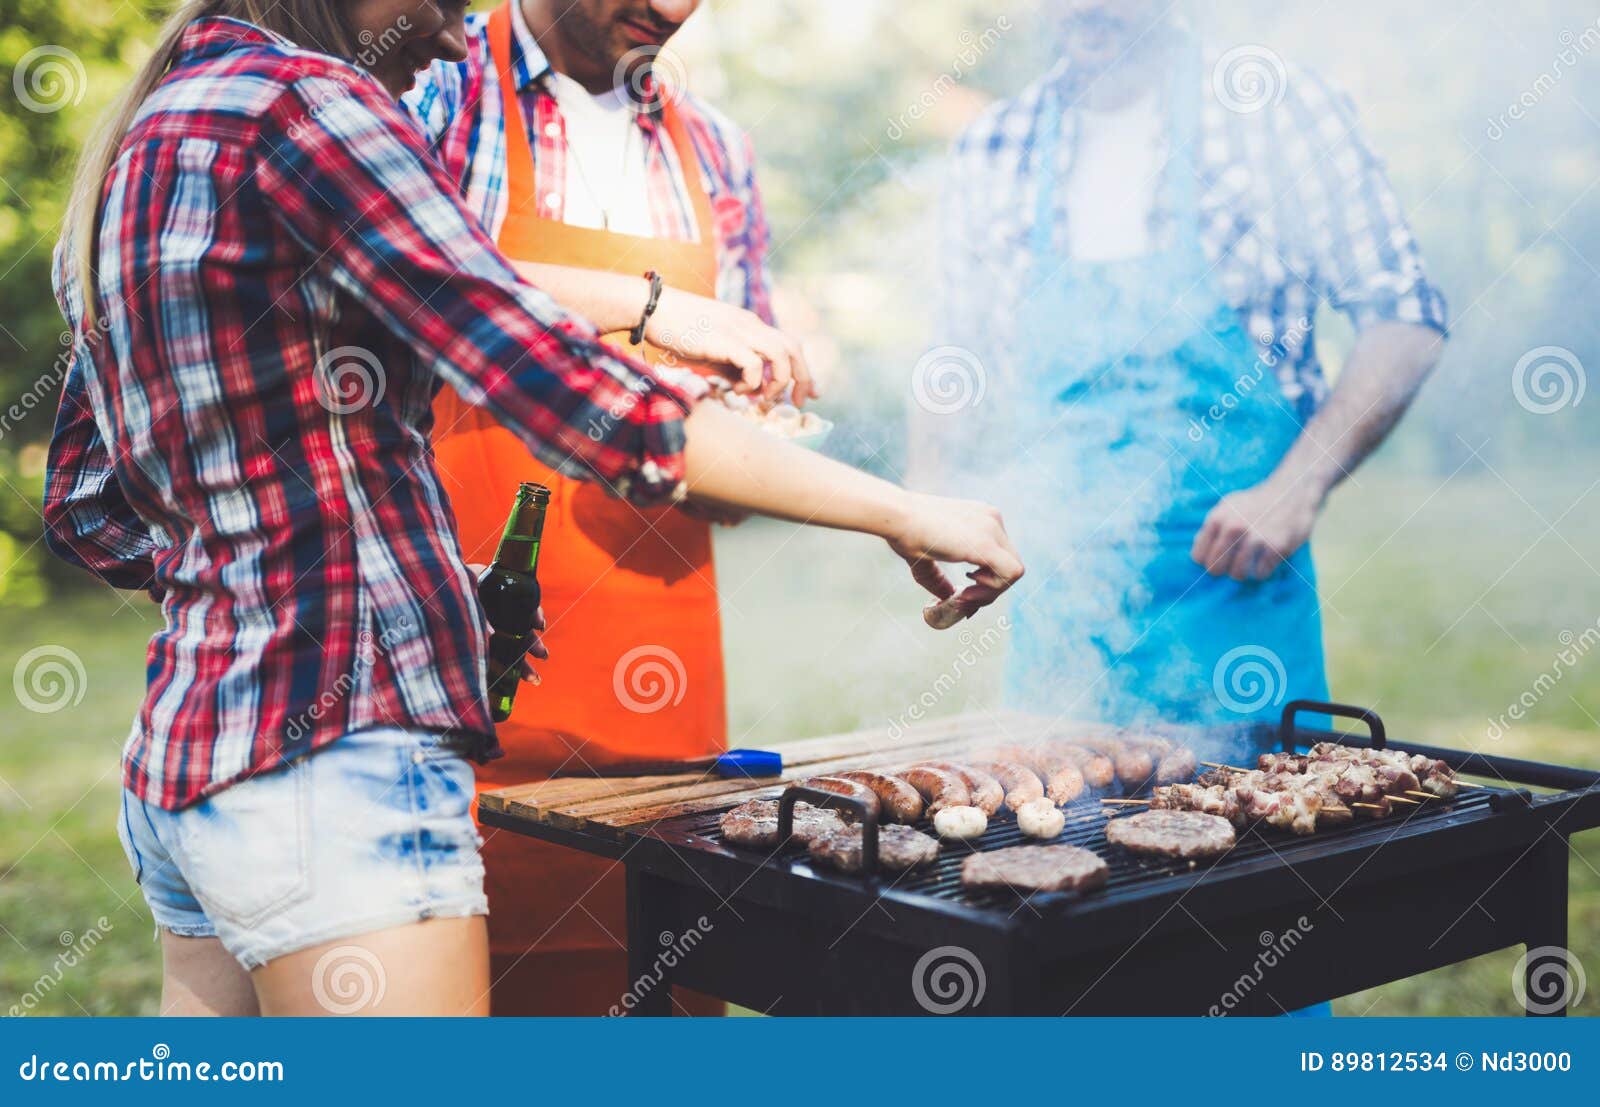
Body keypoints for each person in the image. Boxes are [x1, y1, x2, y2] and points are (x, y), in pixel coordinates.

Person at [45, 0, 1021, 1017]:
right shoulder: (314, 109)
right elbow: (577, 394)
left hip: (193, 747)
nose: (459, 26)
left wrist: (372, 567)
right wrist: (901, 510)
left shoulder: (154, 128)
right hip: (335, 762)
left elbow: (86, 499)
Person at [402, 0, 805, 1015]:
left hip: (660, 666)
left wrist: (761, 436)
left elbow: (723, 415)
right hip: (467, 645)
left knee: (657, 982)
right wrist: (659, 305)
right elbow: (420, 282)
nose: (669, 9)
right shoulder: (433, 86)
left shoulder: (715, 149)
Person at [929, 0, 1446, 732]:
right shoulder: (991, 149)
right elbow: (957, 360)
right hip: (1061, 633)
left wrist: (1296, 488)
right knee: (1049, 836)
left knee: (1271, 835)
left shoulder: (1278, 113)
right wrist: (928, 506)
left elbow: (1404, 319)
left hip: (1240, 614)